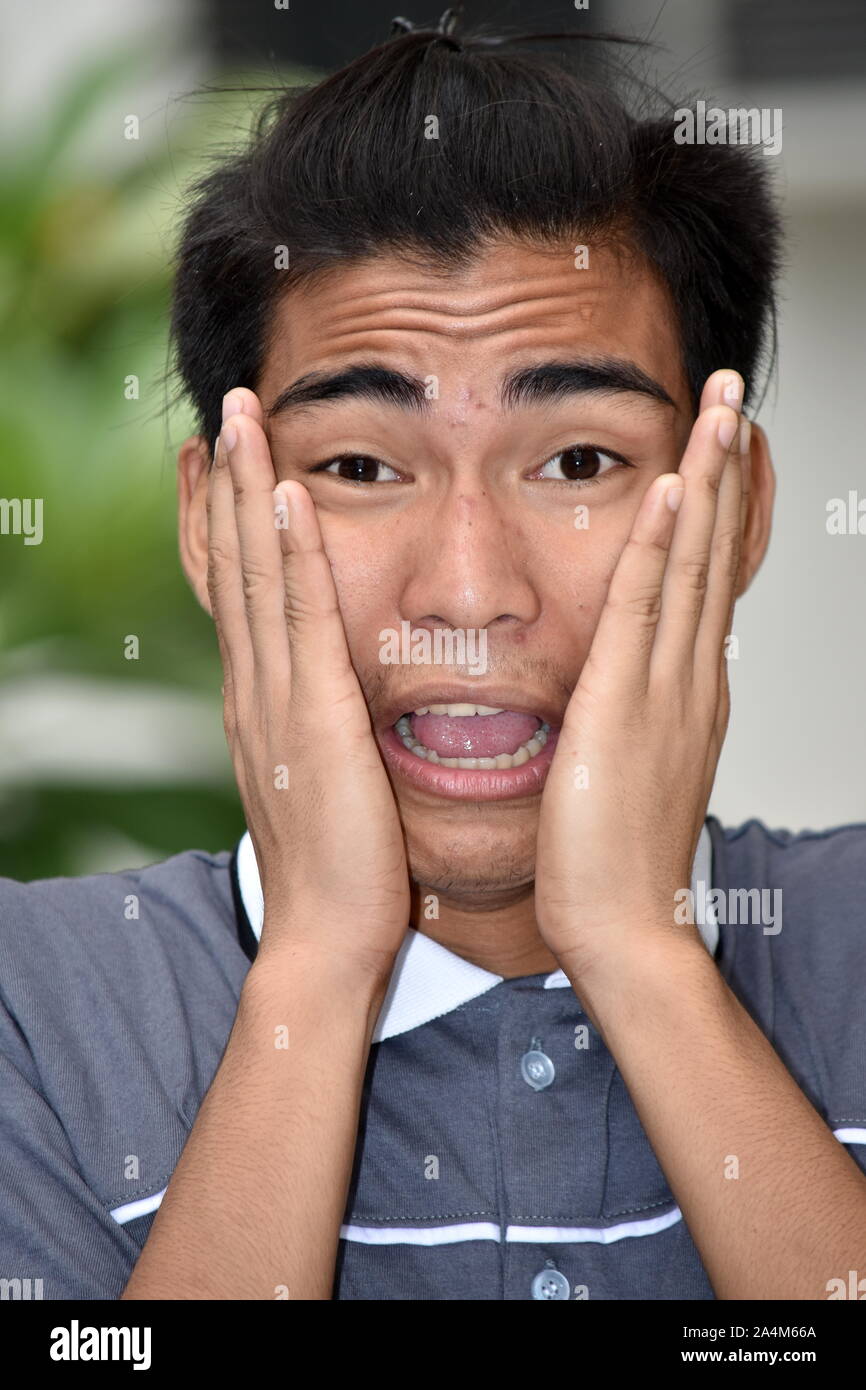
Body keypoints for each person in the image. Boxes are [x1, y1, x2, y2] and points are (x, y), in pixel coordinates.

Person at [2, 15, 865, 1303]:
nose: (467, 592)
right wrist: (319, 966)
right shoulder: (38, 1003)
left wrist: (640, 950)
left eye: (579, 462)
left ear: (731, 509)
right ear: (212, 521)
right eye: (359, 467)